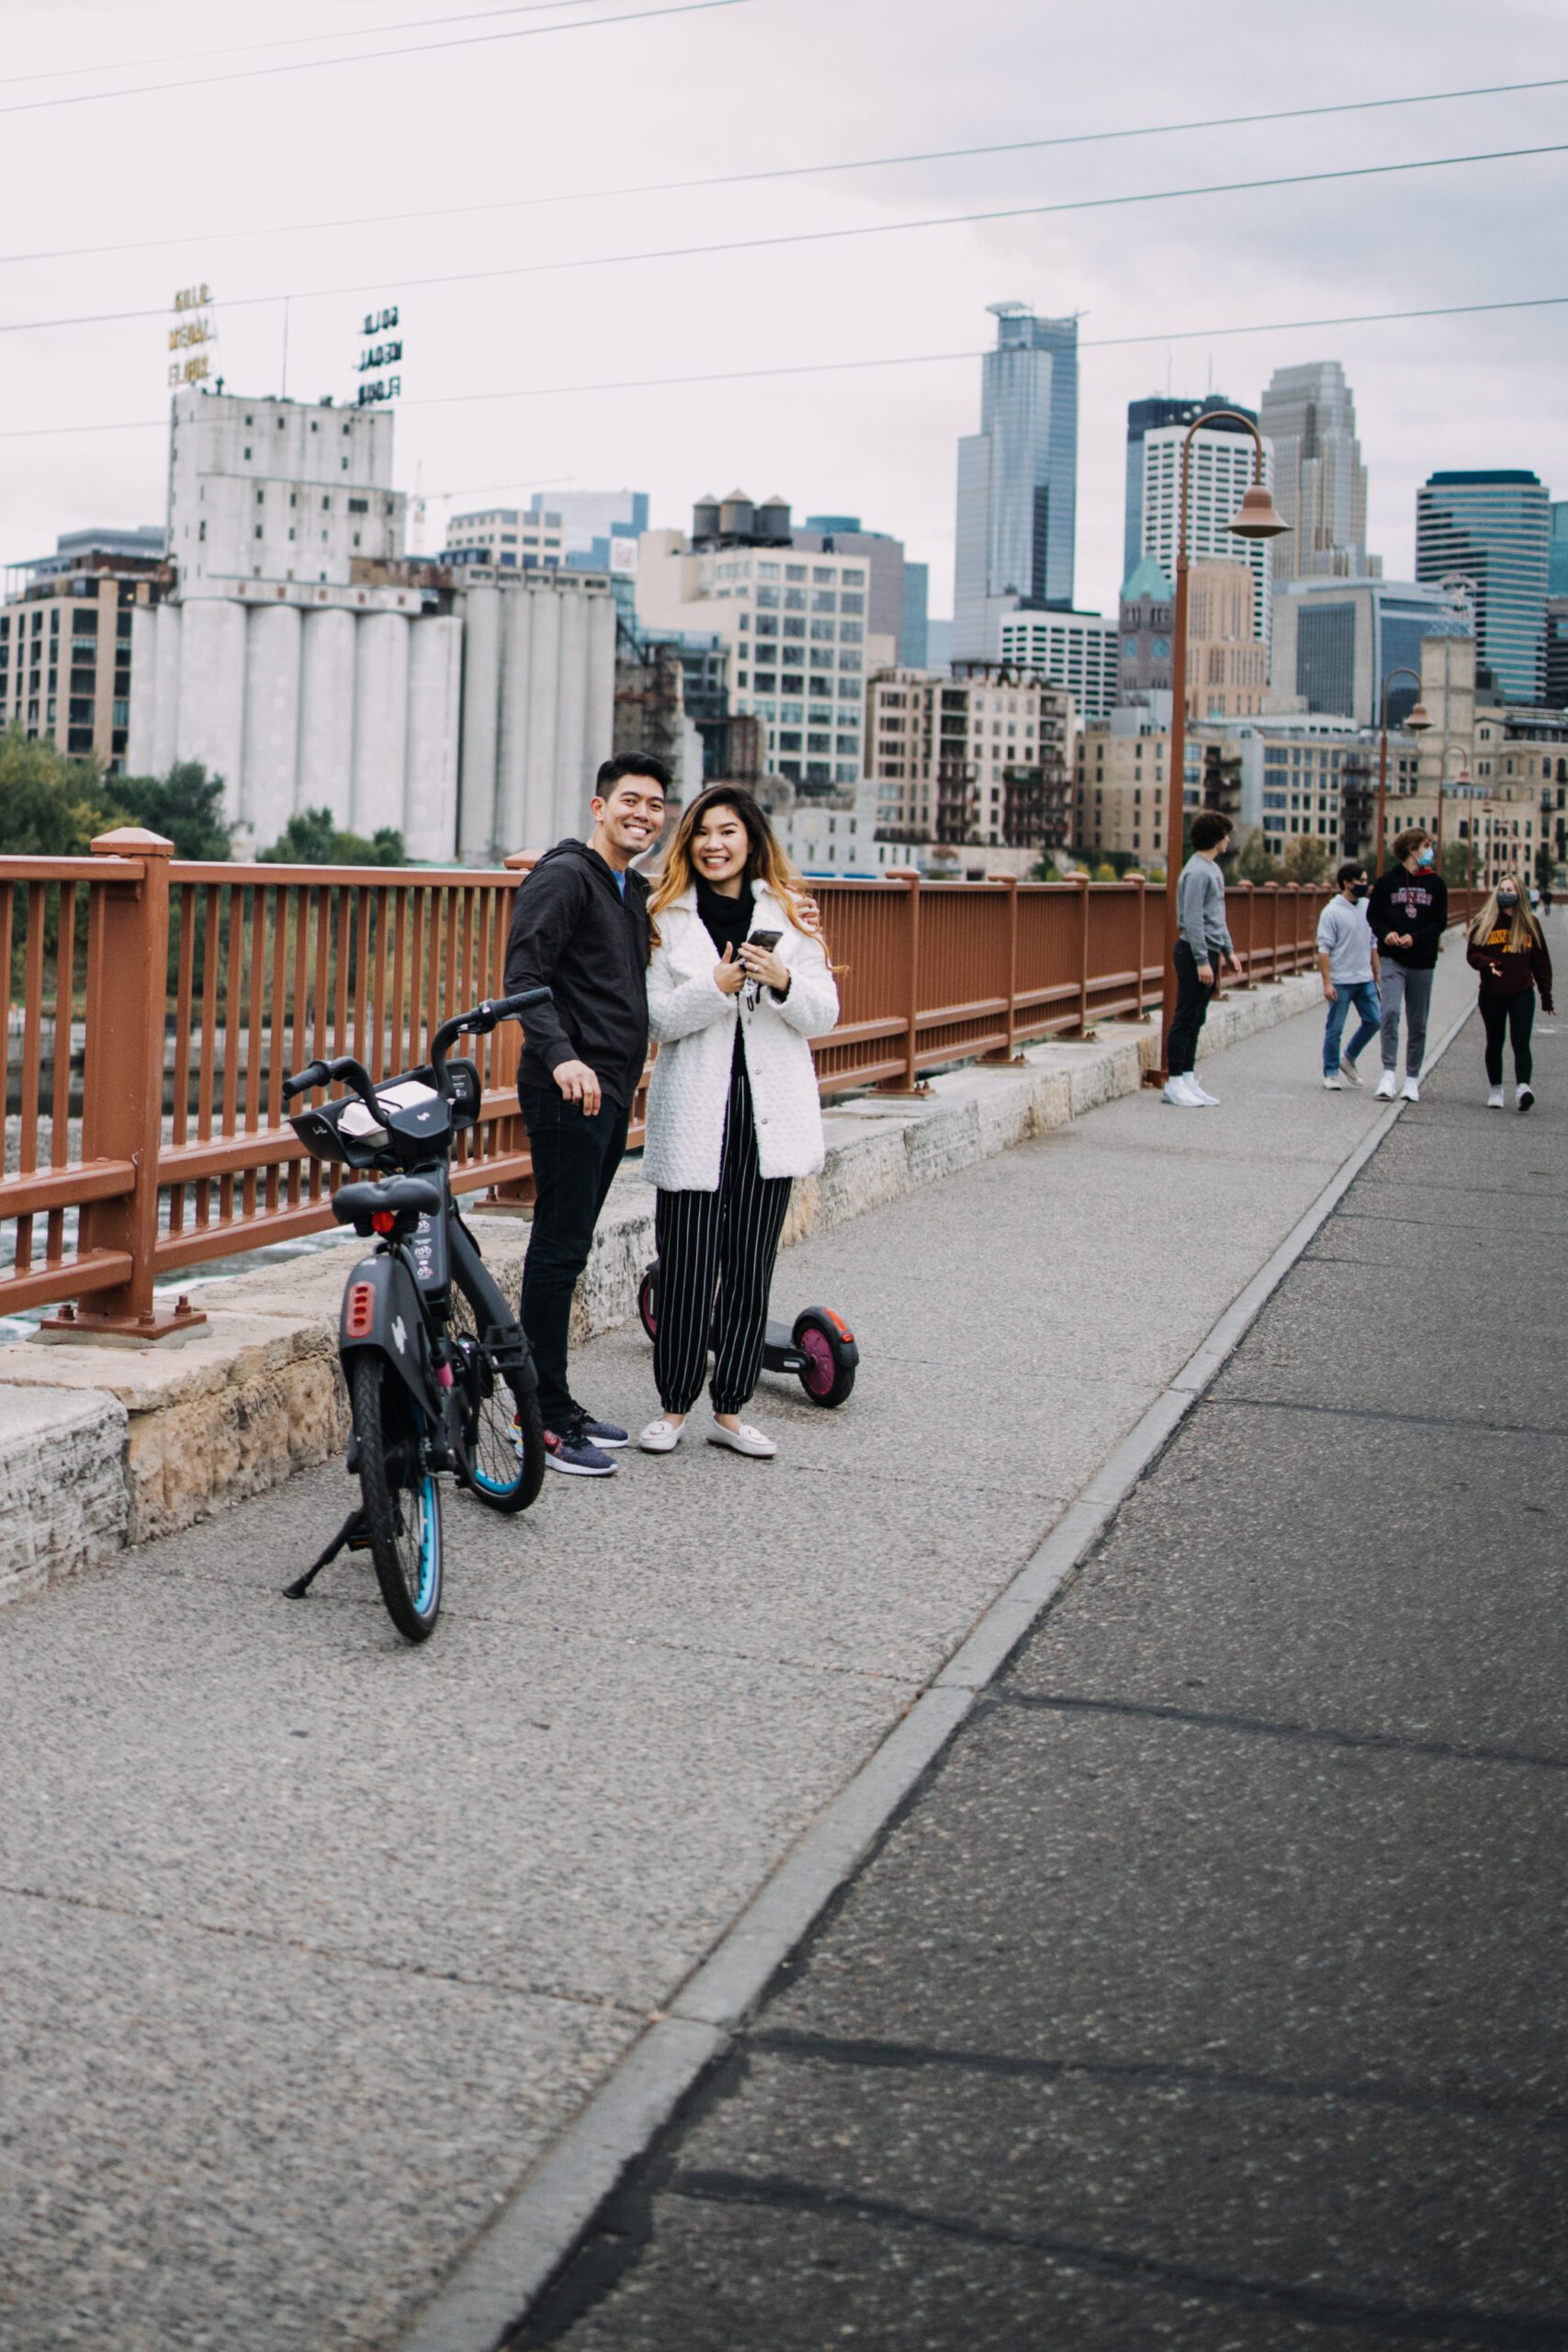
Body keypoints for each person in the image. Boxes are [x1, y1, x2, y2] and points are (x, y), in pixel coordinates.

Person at [636, 786, 839, 1460]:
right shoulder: (664, 916)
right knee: (686, 1266)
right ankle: (672, 1408)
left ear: (751, 839)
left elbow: (823, 1014)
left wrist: (782, 979)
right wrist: (715, 988)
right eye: (701, 832)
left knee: (751, 1267)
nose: (713, 844)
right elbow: (657, 1019)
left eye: (727, 831)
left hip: (766, 1113)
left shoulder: (791, 912)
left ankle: (730, 1409)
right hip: (697, 1110)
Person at [502, 752, 671, 1476]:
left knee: (568, 1249)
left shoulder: (627, 887)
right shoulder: (566, 875)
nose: (642, 814)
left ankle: (558, 1404)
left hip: (608, 1090)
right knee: (557, 1250)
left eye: (655, 805)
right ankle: (535, 1419)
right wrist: (562, 1057)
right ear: (599, 807)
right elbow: (523, 975)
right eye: (630, 800)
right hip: (569, 1089)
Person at [1162, 810, 1241, 1108]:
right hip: (1194, 952)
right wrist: (1201, 959)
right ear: (1216, 837)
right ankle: (1174, 1082)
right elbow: (1193, 919)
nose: (1228, 839)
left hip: (1209, 951)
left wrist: (1228, 951)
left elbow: (1217, 916)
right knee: (1185, 1017)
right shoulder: (1196, 872)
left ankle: (1188, 1077)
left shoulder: (1213, 869)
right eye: (1225, 834)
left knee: (1197, 1017)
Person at [1366, 826, 1448, 1103]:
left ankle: (1412, 1078)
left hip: (1422, 961)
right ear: (1412, 849)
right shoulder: (1387, 882)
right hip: (1392, 958)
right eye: (1426, 845)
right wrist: (1386, 934)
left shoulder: (1436, 884)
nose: (1430, 851)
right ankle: (1388, 1073)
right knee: (1389, 1012)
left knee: (1418, 1022)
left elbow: (1439, 922)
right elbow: (1373, 916)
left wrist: (1417, 938)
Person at [1467, 871, 1553, 1112]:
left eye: (1510, 890)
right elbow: (1472, 954)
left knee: (1520, 1041)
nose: (1505, 894)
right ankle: (1496, 1089)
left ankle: (1523, 1088)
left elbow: (1541, 962)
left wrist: (1546, 995)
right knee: (1495, 1041)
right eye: (1502, 890)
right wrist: (1489, 964)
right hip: (1492, 993)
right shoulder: (1485, 921)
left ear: (1519, 894)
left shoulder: (1530, 924)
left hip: (1521, 991)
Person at [1316, 861, 1382, 1090]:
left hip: (1364, 978)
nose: (1365, 884)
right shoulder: (1331, 911)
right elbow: (1324, 949)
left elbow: (1373, 942)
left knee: (1374, 1020)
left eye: (1366, 880)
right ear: (1346, 883)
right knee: (1335, 1028)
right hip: (1341, 980)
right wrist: (1327, 983)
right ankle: (1330, 1072)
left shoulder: (1367, 906)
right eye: (1360, 880)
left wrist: (1376, 972)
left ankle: (1348, 1058)